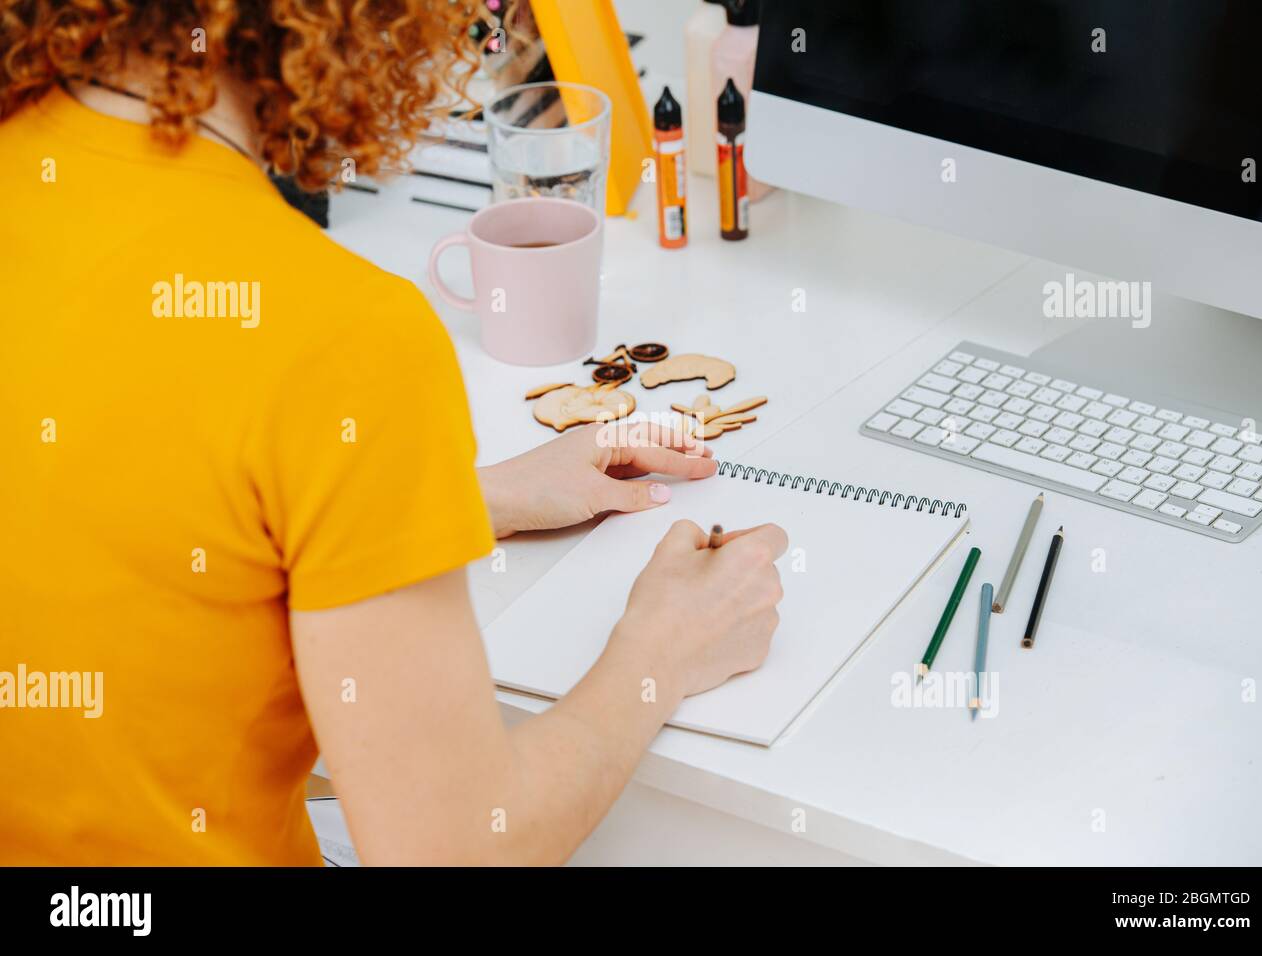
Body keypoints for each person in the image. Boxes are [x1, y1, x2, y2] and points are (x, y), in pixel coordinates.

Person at [0, 2, 785, 864]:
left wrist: (443, 502)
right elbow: (457, 847)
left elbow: (96, 492)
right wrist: (663, 650)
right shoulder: (342, 336)